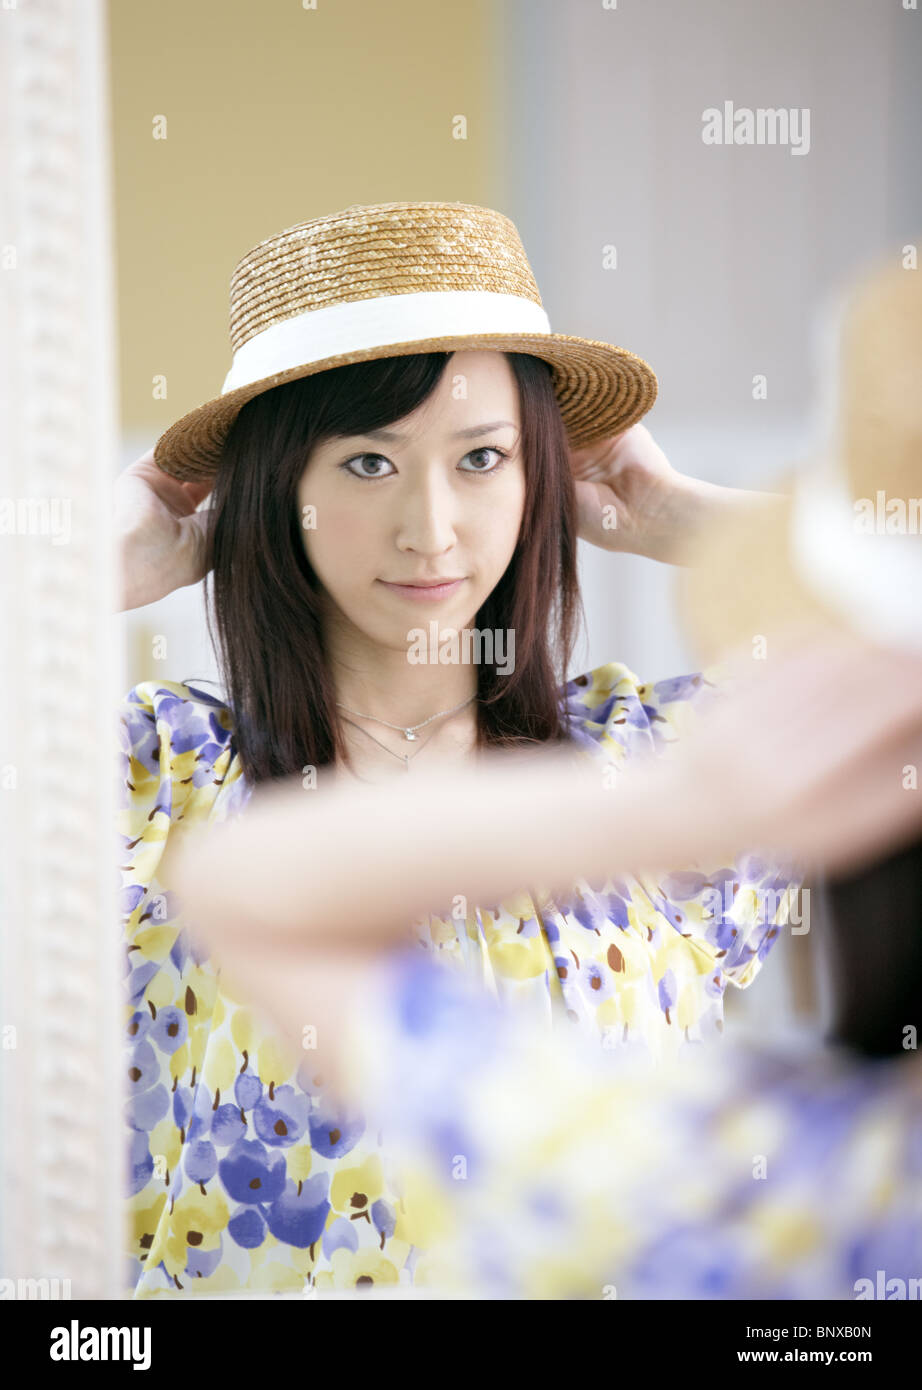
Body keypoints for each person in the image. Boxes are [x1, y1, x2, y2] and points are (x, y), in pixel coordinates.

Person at [169, 245, 922, 1299]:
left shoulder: (667, 760)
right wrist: (75, 578)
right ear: (272, 487)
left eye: (483, 459)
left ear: (541, 478)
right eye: (368, 461)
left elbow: (886, 673)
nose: (431, 528)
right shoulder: (150, 774)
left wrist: (680, 521)